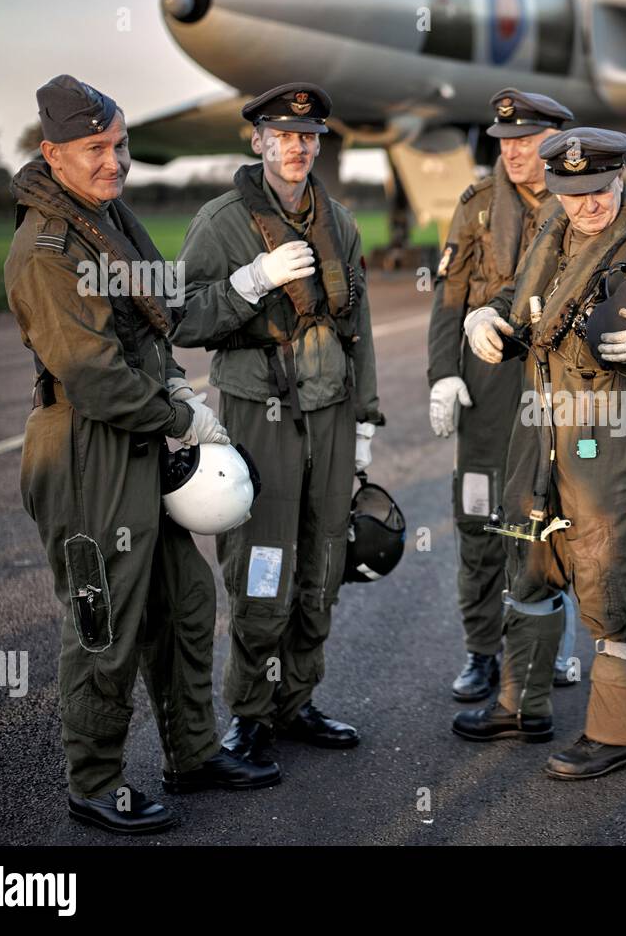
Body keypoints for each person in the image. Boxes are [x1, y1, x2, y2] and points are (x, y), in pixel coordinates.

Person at [6, 74, 279, 835]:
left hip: (139, 438)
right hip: (87, 451)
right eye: (95, 148)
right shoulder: (47, 248)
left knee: (186, 604)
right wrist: (180, 417)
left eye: (120, 145)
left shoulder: (109, 217)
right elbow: (92, 374)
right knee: (103, 622)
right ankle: (93, 782)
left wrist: (180, 387)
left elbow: (161, 312)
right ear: (52, 152)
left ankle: (192, 751)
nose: (114, 160)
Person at [453, 128, 626, 779]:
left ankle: (615, 733)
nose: (589, 207)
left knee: (610, 579)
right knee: (529, 564)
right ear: (556, 187)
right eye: (574, 193)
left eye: (600, 191)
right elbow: (519, 300)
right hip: (541, 431)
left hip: (612, 441)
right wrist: (485, 318)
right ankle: (522, 705)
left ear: (619, 178)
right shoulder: (552, 229)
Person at [171, 82, 382, 764]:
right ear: (257, 140)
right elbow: (184, 317)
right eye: (283, 135)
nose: (297, 147)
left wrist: (367, 417)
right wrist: (251, 281)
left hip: (331, 415)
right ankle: (253, 712)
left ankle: (297, 701)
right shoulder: (222, 221)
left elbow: (360, 327)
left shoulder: (339, 223)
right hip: (259, 416)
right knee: (264, 567)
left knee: (323, 565)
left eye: (309, 136)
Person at [426, 88, 577, 702]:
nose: (513, 152)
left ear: (555, 140)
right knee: (481, 520)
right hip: (487, 388)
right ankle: (482, 653)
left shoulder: (583, 201)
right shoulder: (478, 205)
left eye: (527, 140)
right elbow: (450, 295)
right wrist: (443, 373)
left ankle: (552, 649)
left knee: (557, 520)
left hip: (556, 383)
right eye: (505, 142)